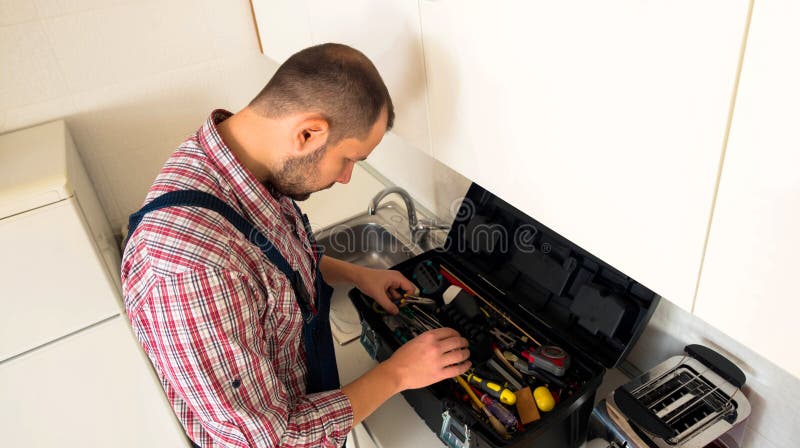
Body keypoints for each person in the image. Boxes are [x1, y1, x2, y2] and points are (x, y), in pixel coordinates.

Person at [121, 43, 470, 447]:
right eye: (348, 159)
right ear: (308, 133)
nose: (346, 178)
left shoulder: (240, 165)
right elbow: (275, 439)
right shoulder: (190, 270)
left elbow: (275, 260)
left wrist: (360, 274)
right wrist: (398, 374)